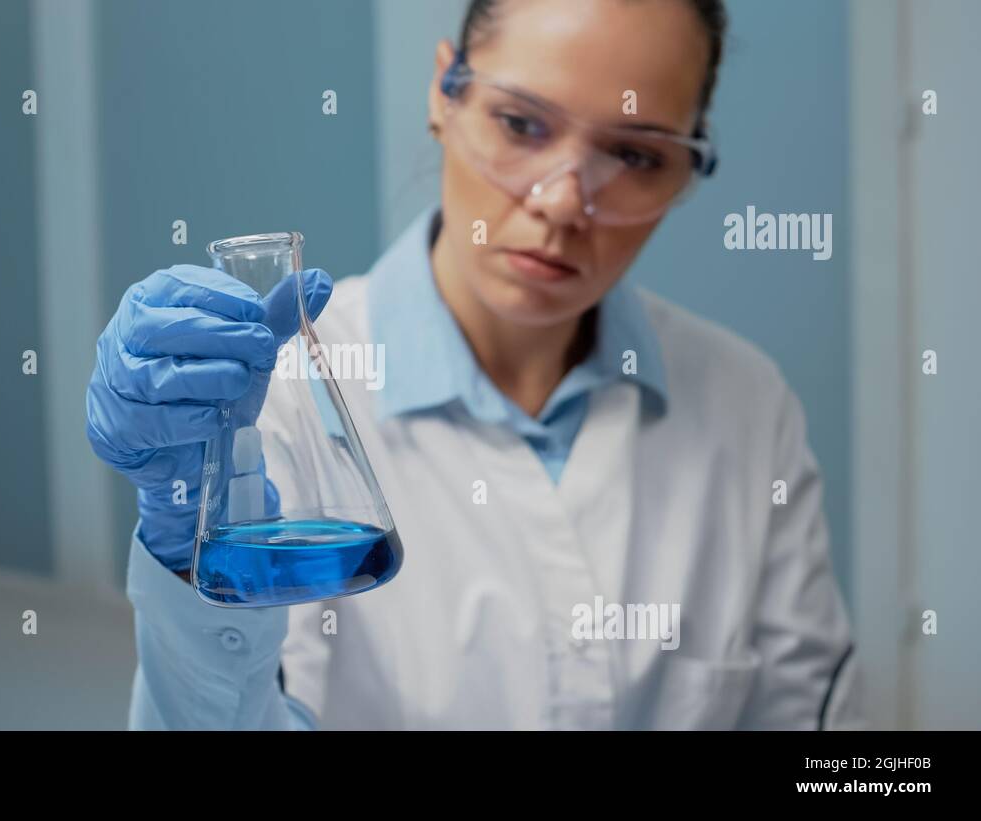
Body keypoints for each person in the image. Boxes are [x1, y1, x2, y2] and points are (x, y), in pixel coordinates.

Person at [85, 0, 863, 730]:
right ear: (443, 95)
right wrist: (189, 559)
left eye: (633, 153)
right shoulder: (274, 397)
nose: (562, 203)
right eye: (522, 123)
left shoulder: (748, 405)